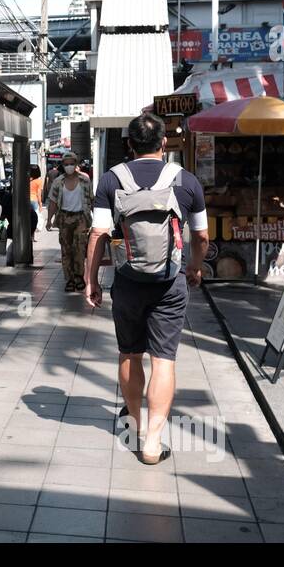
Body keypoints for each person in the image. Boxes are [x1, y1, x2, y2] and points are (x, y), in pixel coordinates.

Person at [83, 113, 208, 466]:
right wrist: (195, 268)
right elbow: (201, 235)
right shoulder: (186, 181)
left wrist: (91, 281)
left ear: (129, 145)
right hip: (170, 282)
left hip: (128, 281)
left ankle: (134, 427)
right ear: (164, 143)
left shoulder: (112, 180)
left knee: (129, 353)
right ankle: (152, 444)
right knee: (163, 360)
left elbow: (98, 233)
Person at [46, 152, 96, 293]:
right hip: (64, 218)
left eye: (71, 163)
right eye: (66, 164)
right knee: (66, 250)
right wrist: (49, 219)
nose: (69, 166)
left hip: (81, 218)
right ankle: (69, 279)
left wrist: (97, 218)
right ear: (63, 165)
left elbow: (92, 200)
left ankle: (79, 277)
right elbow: (53, 202)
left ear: (76, 164)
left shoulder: (85, 181)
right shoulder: (58, 182)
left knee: (79, 249)